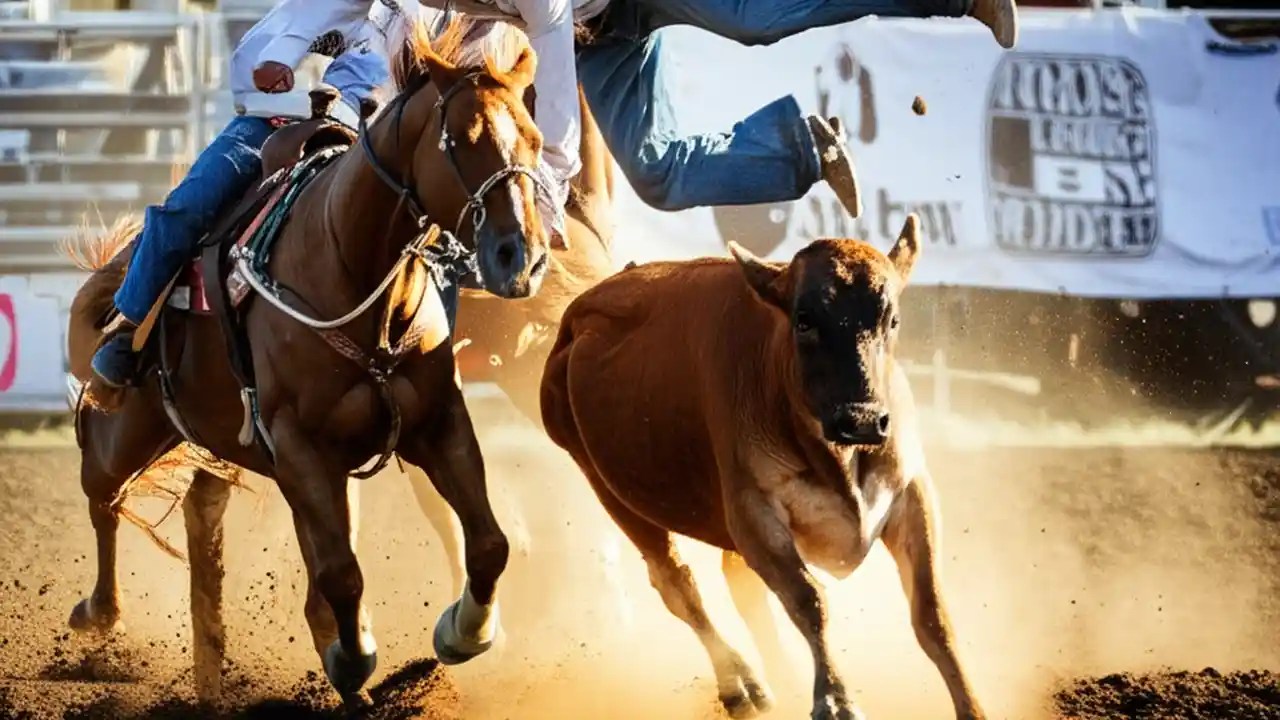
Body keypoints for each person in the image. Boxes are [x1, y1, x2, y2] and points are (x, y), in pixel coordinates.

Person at [405, 0, 1015, 225]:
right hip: (600, 33)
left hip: (585, 22)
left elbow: (548, 36)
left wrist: (554, 171)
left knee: (755, 18)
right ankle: (800, 148)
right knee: (657, 176)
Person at [90, 0, 392, 392]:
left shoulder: (402, 17)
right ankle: (127, 329)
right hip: (266, 123)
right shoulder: (329, 10)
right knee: (188, 207)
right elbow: (275, 54)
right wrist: (278, 64)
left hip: (353, 137)